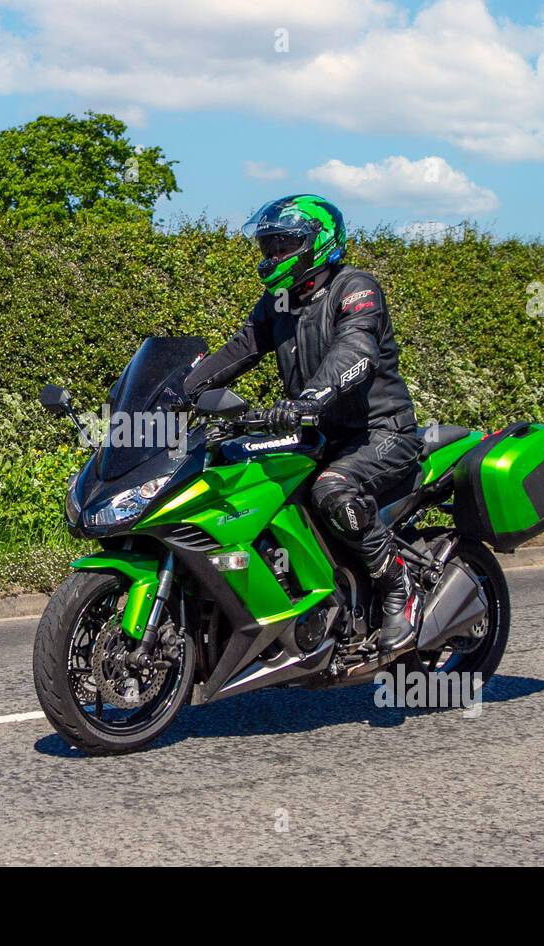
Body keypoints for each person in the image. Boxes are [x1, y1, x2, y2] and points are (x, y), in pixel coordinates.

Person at [183, 194, 423, 652]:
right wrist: (181, 394)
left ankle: (398, 584)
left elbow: (357, 349)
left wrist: (313, 397)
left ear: (318, 243)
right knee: (247, 491)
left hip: (380, 433)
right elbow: (238, 351)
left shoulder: (356, 288)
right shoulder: (277, 304)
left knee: (330, 489)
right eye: (267, 247)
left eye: (283, 245)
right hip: (315, 436)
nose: (272, 257)